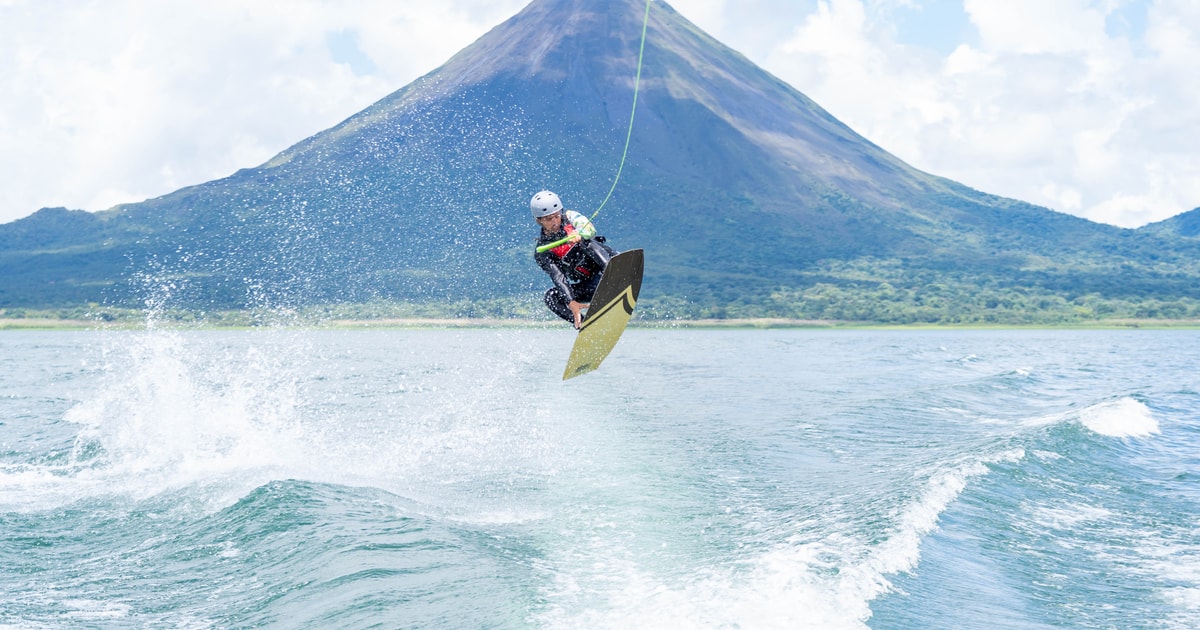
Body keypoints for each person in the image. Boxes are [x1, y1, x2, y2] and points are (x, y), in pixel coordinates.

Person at [531, 190, 618, 329]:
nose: (554, 222)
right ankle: (585, 324)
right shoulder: (543, 252)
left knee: (585, 242)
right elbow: (558, 277)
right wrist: (571, 301)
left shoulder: (571, 217)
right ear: (539, 220)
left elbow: (591, 230)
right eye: (548, 219)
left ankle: (614, 272)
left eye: (556, 216)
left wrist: (579, 234)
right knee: (551, 297)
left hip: (610, 265)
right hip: (594, 284)